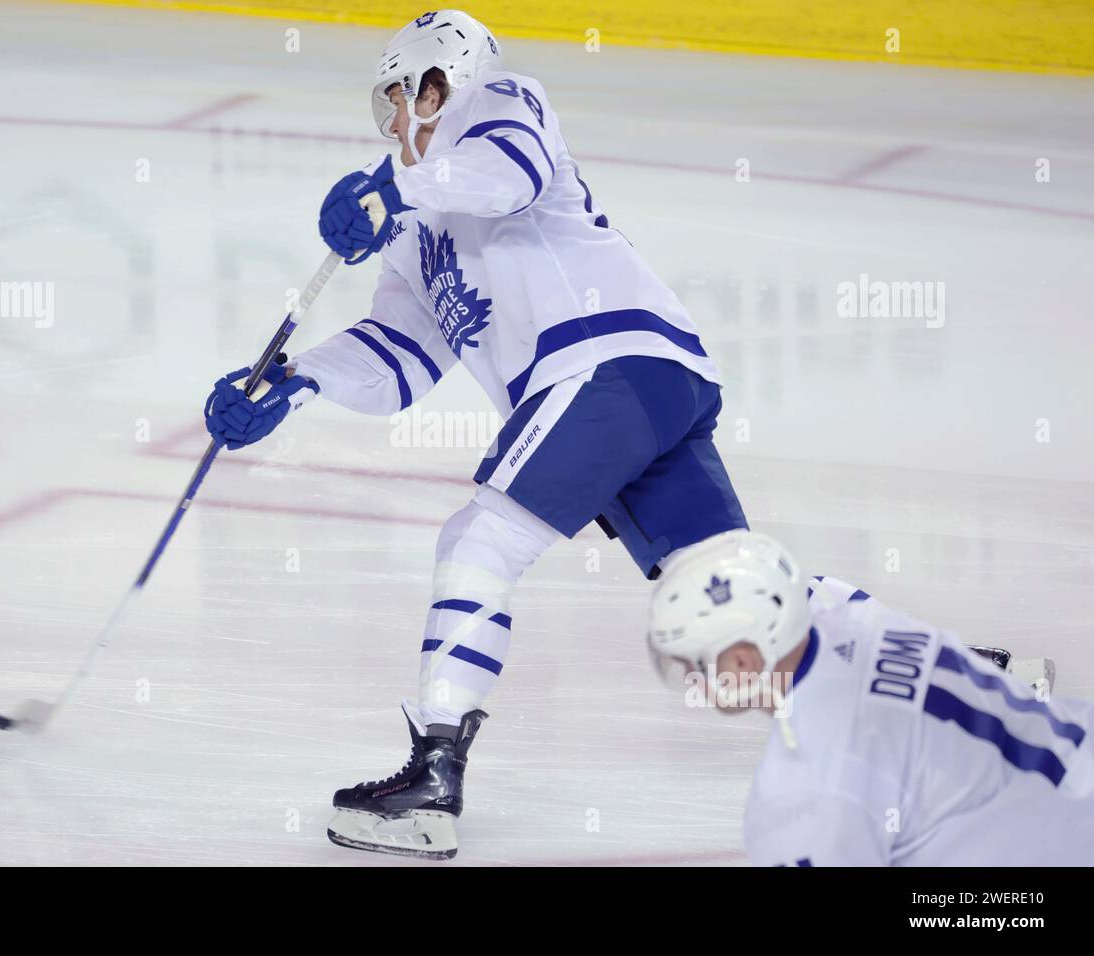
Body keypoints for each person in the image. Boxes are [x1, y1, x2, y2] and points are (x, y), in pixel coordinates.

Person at [203, 9, 747, 859]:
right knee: (729, 593)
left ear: (437, 81)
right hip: (644, 384)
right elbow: (398, 360)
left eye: (398, 99)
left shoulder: (501, 103)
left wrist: (395, 186)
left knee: (478, 542)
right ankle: (943, 676)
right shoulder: (415, 236)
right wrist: (295, 380)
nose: (394, 125)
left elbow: (510, 175)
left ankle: (435, 773)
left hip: (602, 366)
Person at [647, 529, 1087, 866]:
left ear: (744, 663)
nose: (693, 682)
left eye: (694, 665)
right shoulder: (855, 616)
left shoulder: (802, 793)